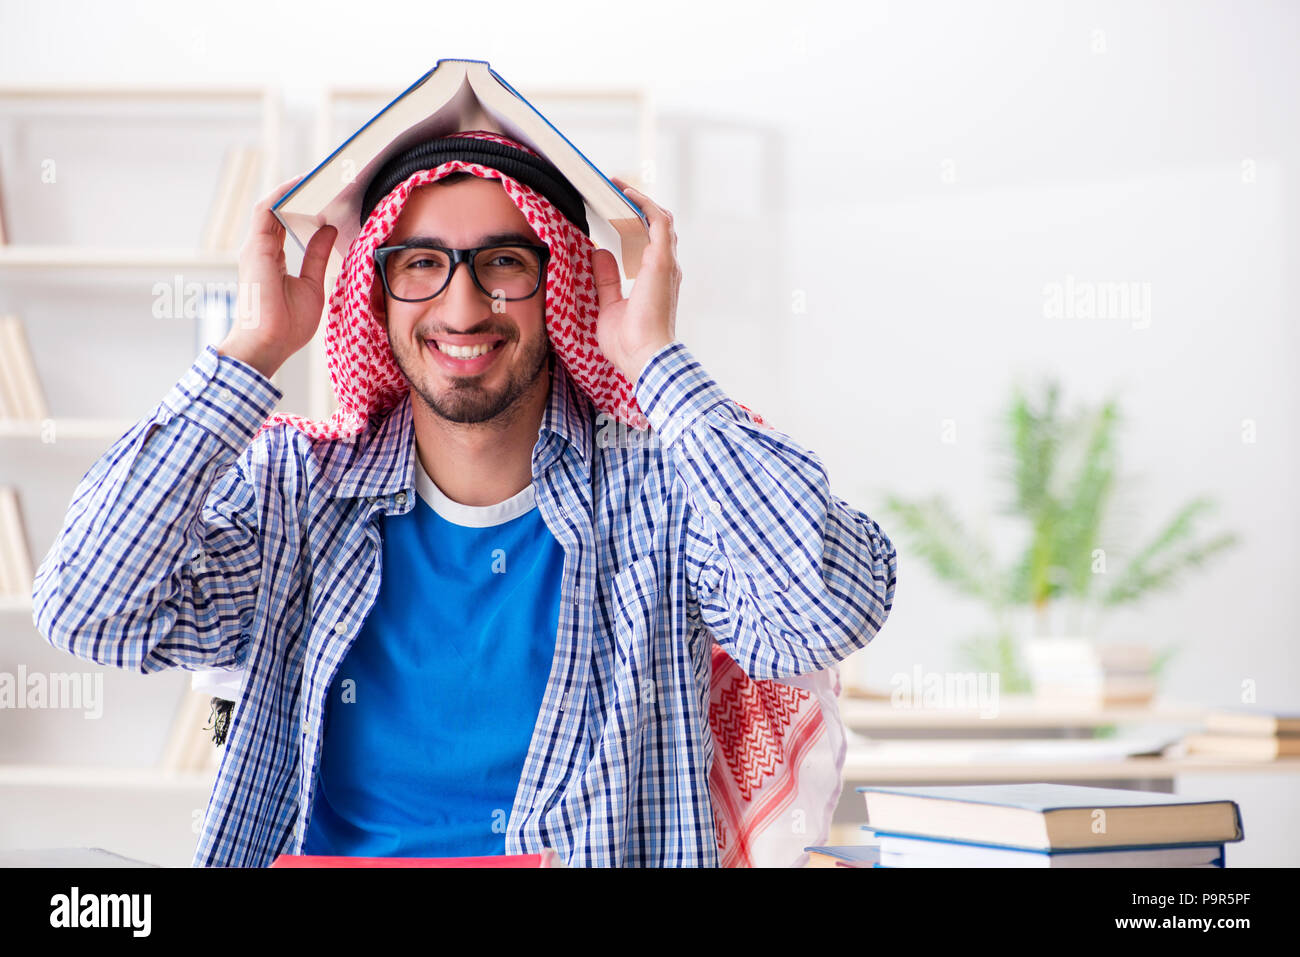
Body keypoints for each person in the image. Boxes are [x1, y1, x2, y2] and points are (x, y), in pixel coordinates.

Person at [32, 131, 898, 867]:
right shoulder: (296, 497)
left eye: (503, 264)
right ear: (375, 294)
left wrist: (657, 364)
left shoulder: (660, 495)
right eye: (421, 264)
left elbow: (820, 613)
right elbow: (87, 608)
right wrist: (254, 350)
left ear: (561, 284)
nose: (462, 303)